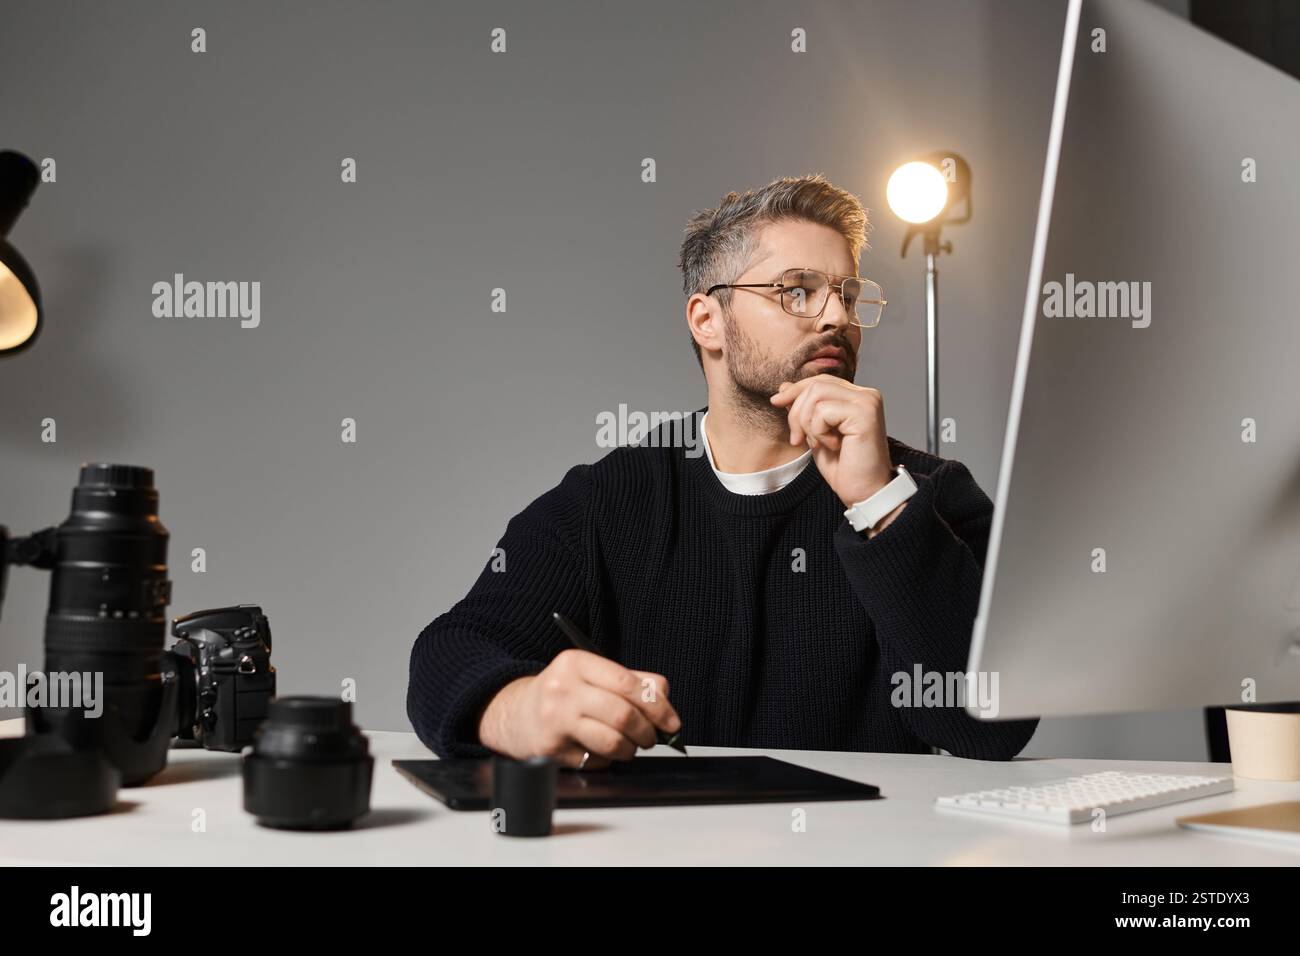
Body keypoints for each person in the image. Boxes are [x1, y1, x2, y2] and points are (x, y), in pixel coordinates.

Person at [407, 173, 1039, 769]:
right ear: (707, 320)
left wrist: (879, 505)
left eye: (846, 295)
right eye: (797, 290)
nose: (836, 318)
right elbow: (447, 651)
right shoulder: (612, 501)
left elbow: (993, 726)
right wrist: (517, 709)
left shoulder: (929, 493)